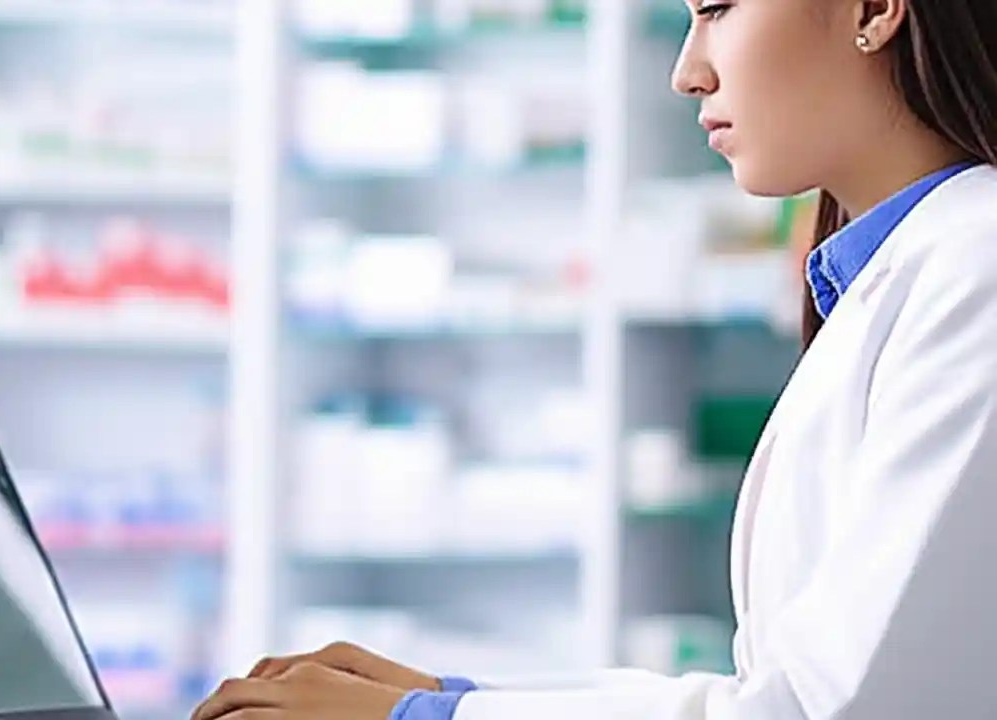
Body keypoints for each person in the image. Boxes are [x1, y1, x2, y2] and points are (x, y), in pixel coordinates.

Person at [193, 0, 997, 717]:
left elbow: (834, 710)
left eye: (717, 9)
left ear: (877, 8)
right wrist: (440, 698)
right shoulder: (910, 271)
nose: (688, 72)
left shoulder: (974, 266)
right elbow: (783, 693)